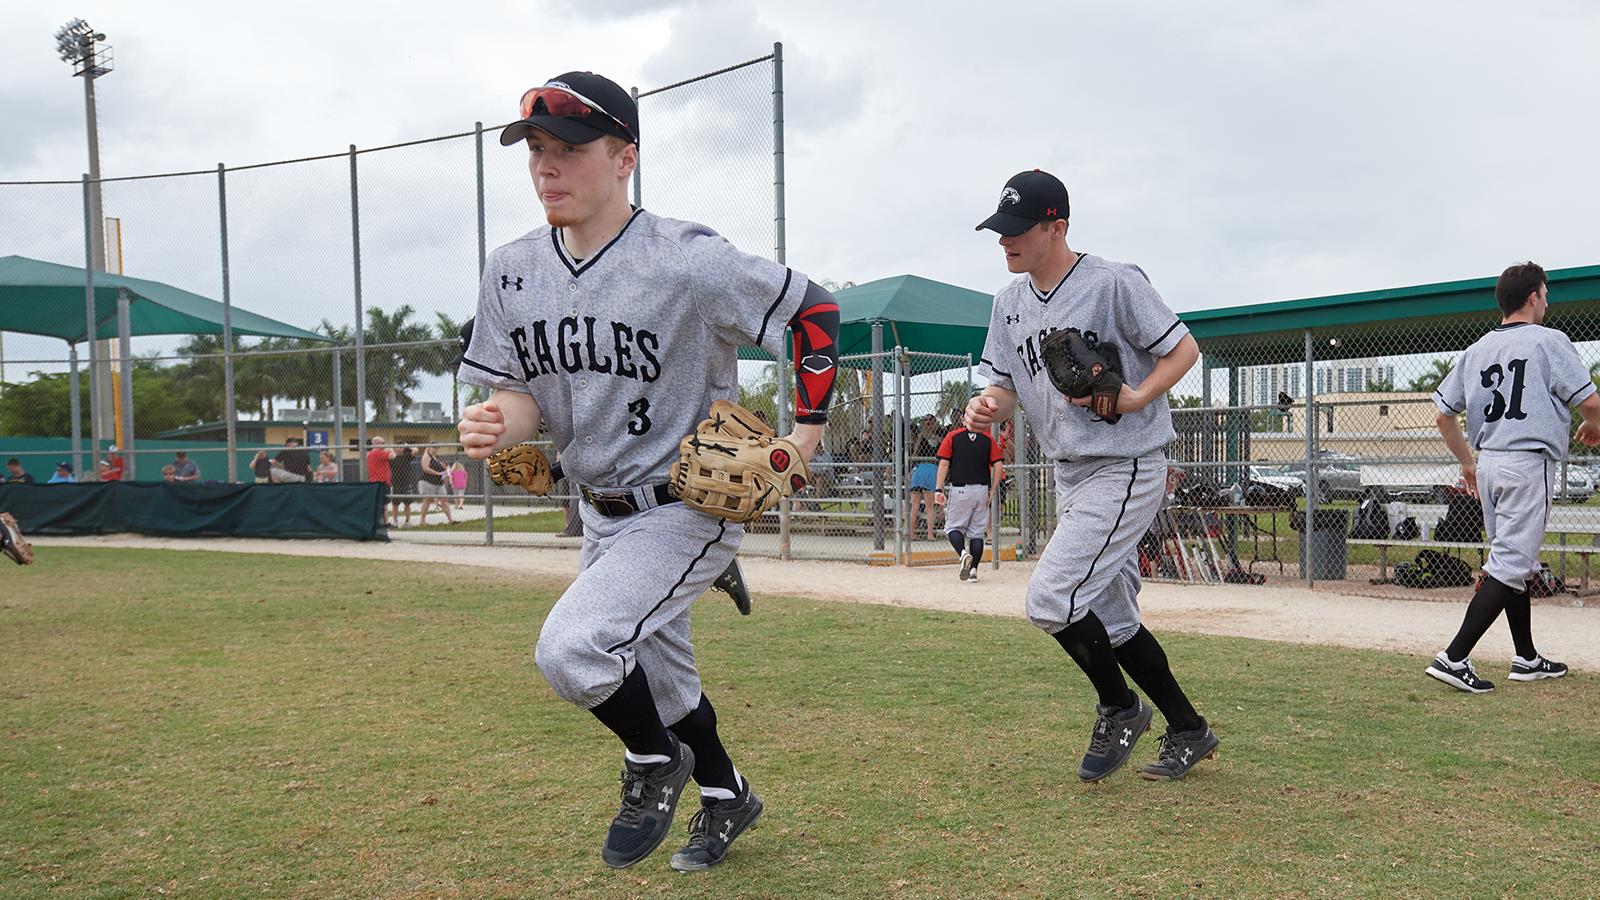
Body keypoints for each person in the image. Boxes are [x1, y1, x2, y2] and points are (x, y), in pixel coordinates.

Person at [456, 70, 838, 873]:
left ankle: (654, 761)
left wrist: (806, 431)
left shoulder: (687, 260)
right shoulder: (511, 269)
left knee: (575, 650)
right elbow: (520, 396)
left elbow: (812, 312)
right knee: (663, 682)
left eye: (568, 148)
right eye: (534, 150)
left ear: (625, 156)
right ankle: (729, 793)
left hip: (687, 505)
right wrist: (501, 421)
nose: (546, 167)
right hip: (598, 509)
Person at [967, 169, 1216, 782]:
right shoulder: (1009, 303)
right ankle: (1188, 729)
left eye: (1019, 230)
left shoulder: (1112, 282)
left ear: (1057, 226)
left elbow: (1183, 350)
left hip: (1126, 464)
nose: (1006, 241)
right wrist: (987, 405)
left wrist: (1136, 397)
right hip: (1070, 471)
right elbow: (1003, 386)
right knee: (1116, 618)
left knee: (1052, 598)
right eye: (1000, 231)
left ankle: (1120, 708)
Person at [1427, 261, 1600, 692]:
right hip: (1527, 463)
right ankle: (1453, 658)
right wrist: (1595, 426)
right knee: (1511, 562)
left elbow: (1443, 415)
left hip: (1488, 464)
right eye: (1544, 293)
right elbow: (1592, 404)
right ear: (1532, 298)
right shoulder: (1550, 341)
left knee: (1512, 561)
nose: (1547, 300)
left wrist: (1467, 462)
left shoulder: (1477, 349)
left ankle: (1526, 658)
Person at [933, 418, 1004, 581]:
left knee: (953, 528)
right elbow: (998, 465)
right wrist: (992, 490)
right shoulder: (988, 439)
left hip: (960, 490)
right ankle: (973, 572)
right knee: (977, 533)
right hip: (981, 490)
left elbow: (944, 464)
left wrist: (939, 489)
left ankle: (963, 554)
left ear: (964, 420)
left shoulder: (953, 436)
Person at [416, 446, 455, 525]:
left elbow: (444, 471)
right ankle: (422, 520)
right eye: (434, 447)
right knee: (427, 500)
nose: (435, 449)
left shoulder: (437, 458)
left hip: (439, 483)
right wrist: (437, 473)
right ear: (429, 448)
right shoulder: (427, 455)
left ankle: (451, 520)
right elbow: (425, 468)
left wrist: (445, 476)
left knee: (444, 500)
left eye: (437, 448)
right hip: (427, 481)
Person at [366, 437, 397, 527]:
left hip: (375, 481)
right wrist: (391, 450)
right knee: (384, 505)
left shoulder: (370, 453)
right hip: (381, 482)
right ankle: (385, 523)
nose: (384, 445)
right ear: (378, 444)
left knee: (379, 503)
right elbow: (393, 456)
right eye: (383, 444)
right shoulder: (378, 452)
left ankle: (379, 522)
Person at [389, 446, 419, 527]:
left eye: (400, 447)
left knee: (407, 503)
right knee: (395, 504)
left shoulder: (406, 456)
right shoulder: (392, 457)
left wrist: (407, 446)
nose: (398, 449)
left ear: (402, 449)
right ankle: (395, 521)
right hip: (396, 484)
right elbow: (386, 452)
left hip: (406, 483)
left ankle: (407, 521)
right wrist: (390, 450)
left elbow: (416, 450)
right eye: (396, 447)